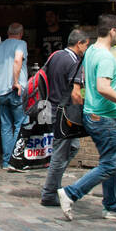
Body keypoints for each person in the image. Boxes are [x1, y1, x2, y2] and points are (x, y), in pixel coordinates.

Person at [56, 14, 116, 221]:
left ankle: (112, 206)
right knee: (110, 164)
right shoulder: (106, 57)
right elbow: (103, 87)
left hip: (94, 114)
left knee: (112, 162)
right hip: (106, 117)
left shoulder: (91, 51)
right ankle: (71, 193)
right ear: (112, 31)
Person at [40, 28, 91, 207]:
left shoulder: (55, 56)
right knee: (60, 155)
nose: (87, 49)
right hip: (64, 113)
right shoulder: (75, 62)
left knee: (72, 147)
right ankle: (49, 193)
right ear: (79, 44)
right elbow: (76, 94)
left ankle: (54, 184)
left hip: (51, 108)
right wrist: (86, 109)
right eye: (86, 45)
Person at [0, 22, 28, 172]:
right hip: (15, 91)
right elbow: (18, 59)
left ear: (7, 32)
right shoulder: (21, 43)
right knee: (19, 124)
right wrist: (16, 82)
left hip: (1, 91)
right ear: (21, 33)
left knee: (6, 126)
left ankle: (6, 162)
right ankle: (15, 161)